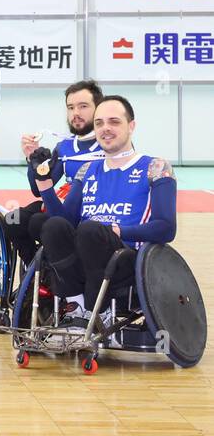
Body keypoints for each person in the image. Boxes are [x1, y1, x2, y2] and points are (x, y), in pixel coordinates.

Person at [34, 95, 177, 316]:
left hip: (125, 259)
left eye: (114, 122)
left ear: (131, 126)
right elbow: (63, 220)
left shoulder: (156, 167)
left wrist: (120, 230)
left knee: (90, 229)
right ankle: (75, 307)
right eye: (99, 123)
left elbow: (166, 228)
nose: (105, 128)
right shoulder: (88, 169)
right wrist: (43, 182)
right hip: (83, 255)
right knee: (52, 226)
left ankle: (98, 311)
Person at [10, 79, 105, 264]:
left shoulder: (109, 143)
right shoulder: (64, 146)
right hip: (60, 206)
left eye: (83, 106)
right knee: (12, 220)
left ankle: (55, 270)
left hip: (92, 210)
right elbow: (39, 190)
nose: (75, 113)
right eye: (70, 107)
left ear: (98, 109)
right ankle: (35, 271)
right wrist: (32, 159)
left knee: (39, 221)